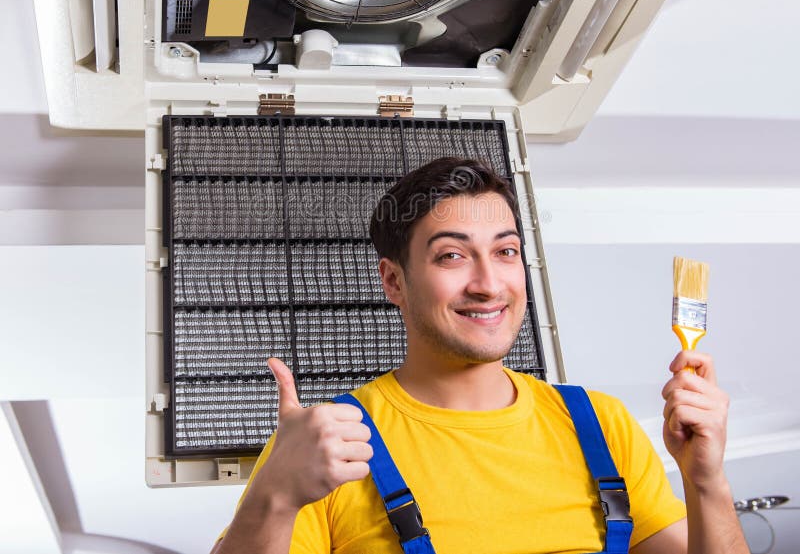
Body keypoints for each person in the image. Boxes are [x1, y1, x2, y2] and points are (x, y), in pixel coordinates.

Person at [212, 157, 744, 554]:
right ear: (394, 280)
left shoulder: (601, 424)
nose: (489, 284)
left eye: (505, 251)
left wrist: (707, 481)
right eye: (452, 256)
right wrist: (274, 497)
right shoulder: (334, 443)